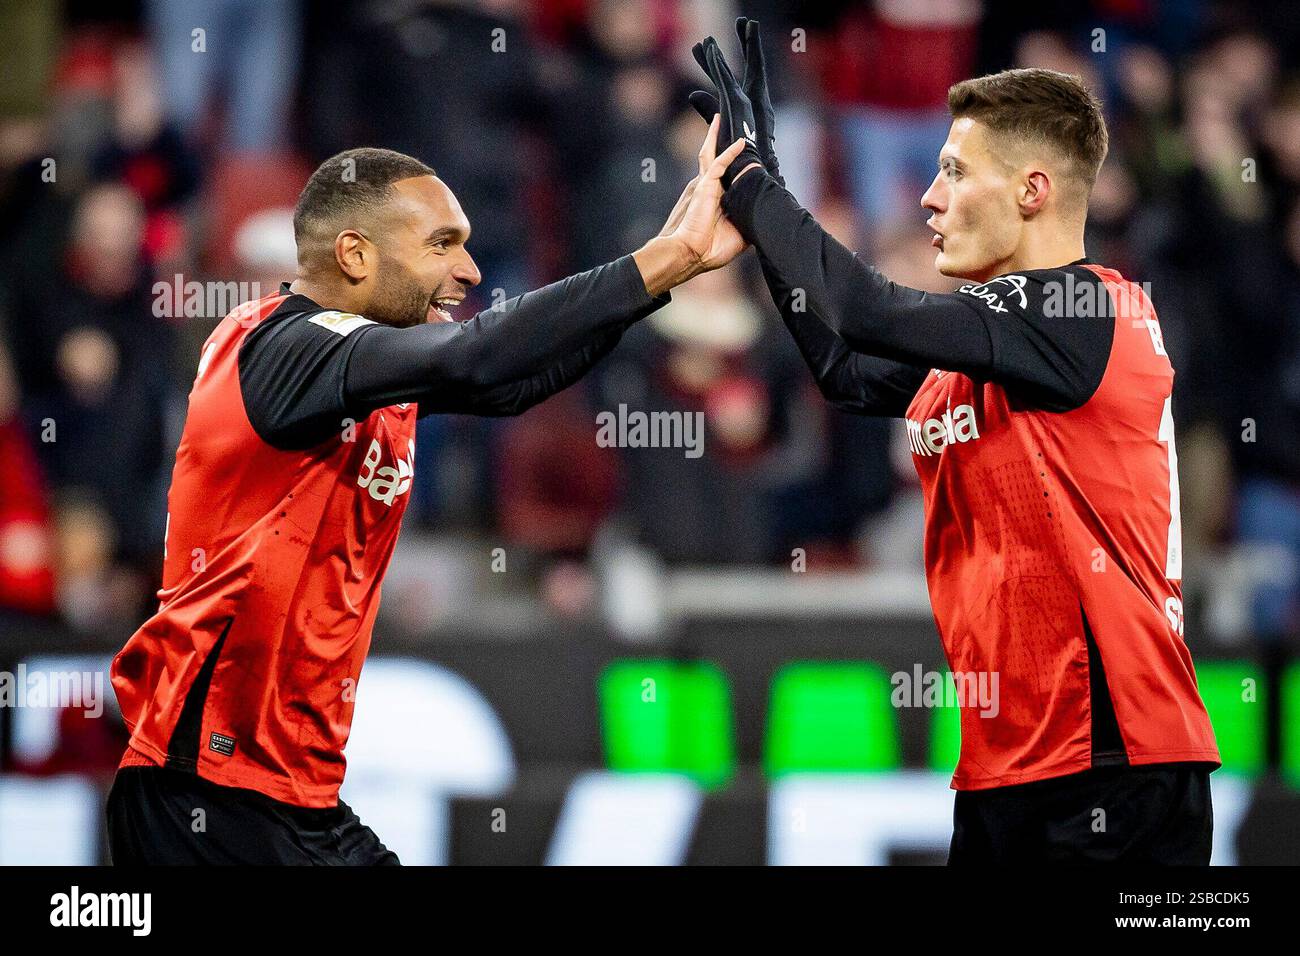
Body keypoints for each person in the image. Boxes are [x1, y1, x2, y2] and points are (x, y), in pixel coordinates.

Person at [105, 125, 749, 865]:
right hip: (205, 794)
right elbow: (478, 357)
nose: (470, 270)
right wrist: (659, 260)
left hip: (297, 798)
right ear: (355, 255)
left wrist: (675, 261)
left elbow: (514, 377)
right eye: (442, 243)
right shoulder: (282, 349)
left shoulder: (369, 370)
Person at [691, 19, 1220, 864]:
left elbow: (866, 308)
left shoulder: (1085, 312)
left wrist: (758, 187)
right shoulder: (993, 345)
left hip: (1114, 763)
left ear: (1032, 191)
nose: (929, 199)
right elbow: (846, 365)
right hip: (1005, 765)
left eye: (952, 172)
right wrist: (768, 206)